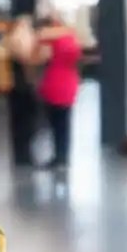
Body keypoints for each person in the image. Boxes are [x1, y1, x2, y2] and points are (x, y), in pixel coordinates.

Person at [36, 14, 82, 171]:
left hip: (54, 82)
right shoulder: (72, 38)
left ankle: (58, 157)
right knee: (64, 123)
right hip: (70, 82)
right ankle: (63, 156)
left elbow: (40, 57)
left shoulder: (49, 39)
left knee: (55, 124)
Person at [4, 15, 41, 167]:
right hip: (24, 88)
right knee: (26, 124)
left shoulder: (11, 40)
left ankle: (21, 155)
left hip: (16, 88)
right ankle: (25, 156)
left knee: (19, 124)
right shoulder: (21, 41)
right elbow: (27, 60)